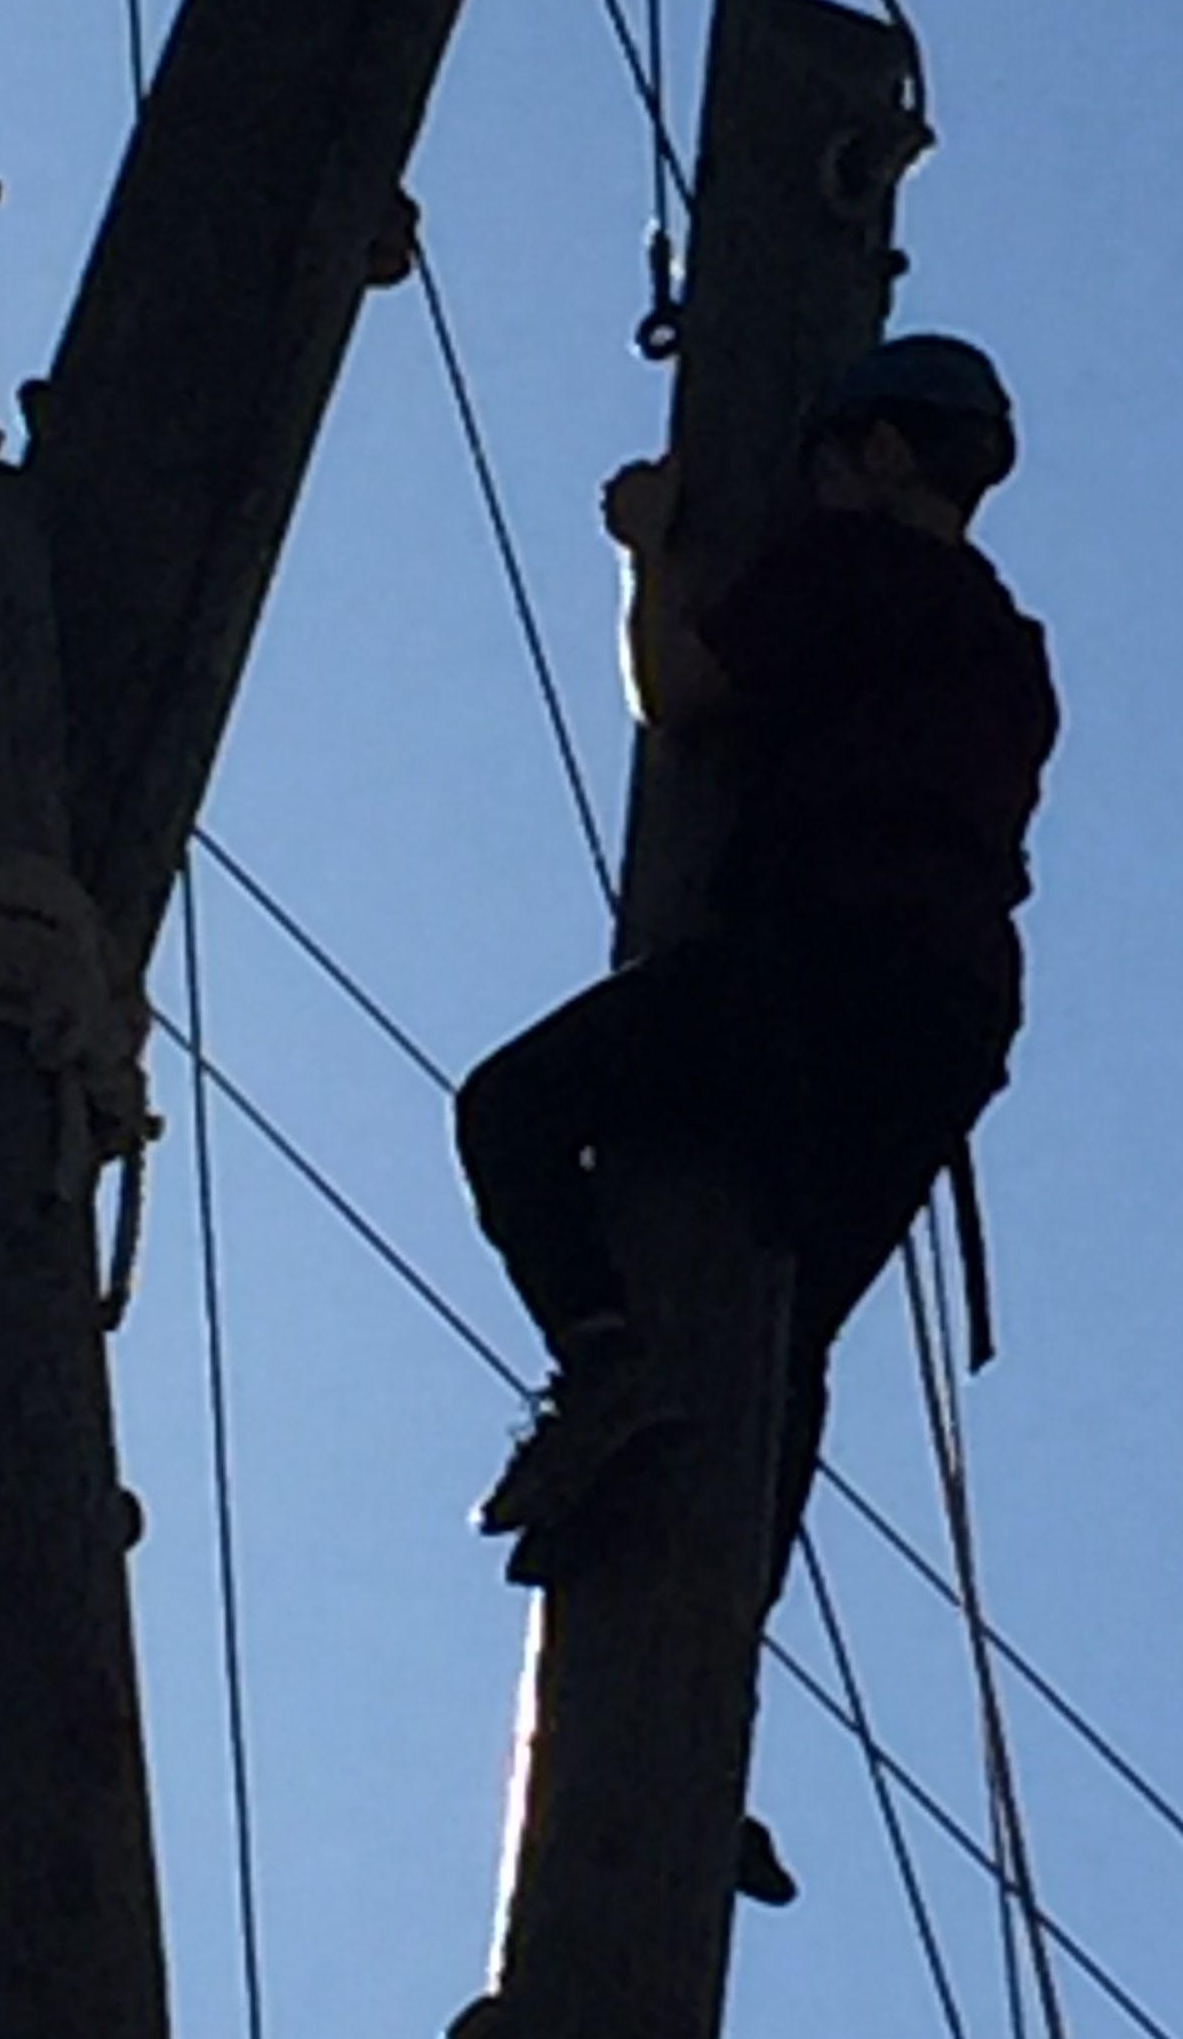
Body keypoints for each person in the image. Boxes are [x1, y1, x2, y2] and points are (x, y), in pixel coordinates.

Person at [453, 331, 1060, 1599]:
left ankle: (605, 1363)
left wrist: (645, 550)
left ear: (882, 451)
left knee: (511, 1107)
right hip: (956, 1012)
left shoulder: (849, 565)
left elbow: (676, 693)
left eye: (829, 464)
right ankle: (724, 1637)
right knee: (791, 1324)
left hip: (818, 955)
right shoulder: (1010, 645)